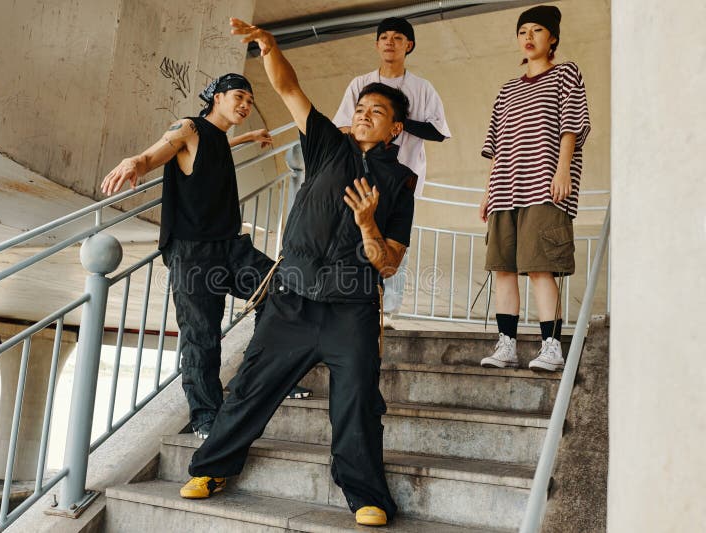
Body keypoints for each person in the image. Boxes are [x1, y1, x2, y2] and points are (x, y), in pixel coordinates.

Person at [178, 17, 418, 528]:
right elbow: (288, 88)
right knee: (249, 387)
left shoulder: (400, 183)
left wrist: (369, 225)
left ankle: (364, 493)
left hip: (351, 307)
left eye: (377, 112)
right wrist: (268, 46)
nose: (365, 115)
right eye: (360, 108)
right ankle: (214, 466)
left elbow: (390, 261)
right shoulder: (328, 144)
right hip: (291, 297)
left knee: (355, 398)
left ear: (395, 128)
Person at [101, 73, 280, 440]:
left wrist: (247, 137)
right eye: (239, 97)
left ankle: (265, 376)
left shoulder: (216, 137)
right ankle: (205, 417)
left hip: (229, 245)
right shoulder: (188, 127)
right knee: (202, 335)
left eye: (250, 100)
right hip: (192, 251)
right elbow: (159, 150)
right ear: (216, 97)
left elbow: (216, 148)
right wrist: (136, 161)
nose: (246, 105)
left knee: (281, 286)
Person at [478, 5, 591, 371]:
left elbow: (571, 125)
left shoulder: (566, 75)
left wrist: (563, 172)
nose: (528, 37)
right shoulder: (506, 90)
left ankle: (551, 346)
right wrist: (487, 193)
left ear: (552, 37)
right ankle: (507, 344)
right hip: (504, 190)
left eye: (537, 30)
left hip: (544, 186)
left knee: (541, 268)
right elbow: (496, 146)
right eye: (522, 31)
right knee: (503, 269)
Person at [333, 17, 451, 328]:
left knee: (393, 242)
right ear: (376, 44)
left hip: (401, 175)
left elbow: (439, 131)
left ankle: (385, 309)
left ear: (408, 45)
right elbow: (343, 125)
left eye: (398, 37)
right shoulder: (360, 83)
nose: (389, 42)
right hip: (360, 172)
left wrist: (398, 121)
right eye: (384, 37)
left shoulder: (421, 88)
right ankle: (346, 298)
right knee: (355, 232)